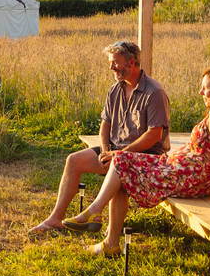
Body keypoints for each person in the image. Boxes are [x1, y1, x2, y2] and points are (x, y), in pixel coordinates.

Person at [64, 66, 210, 257]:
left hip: (189, 176)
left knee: (122, 160)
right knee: (122, 164)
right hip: (184, 171)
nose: (200, 92)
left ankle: (95, 216)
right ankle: (107, 236)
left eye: (206, 88)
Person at [29, 40, 169, 235]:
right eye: (111, 62)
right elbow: (106, 123)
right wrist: (105, 151)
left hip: (146, 157)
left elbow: (155, 135)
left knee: (118, 168)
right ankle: (55, 219)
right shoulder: (115, 89)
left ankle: (103, 224)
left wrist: (119, 154)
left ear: (131, 62)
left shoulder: (154, 92)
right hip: (116, 150)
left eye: (115, 62)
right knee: (74, 160)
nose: (111, 67)